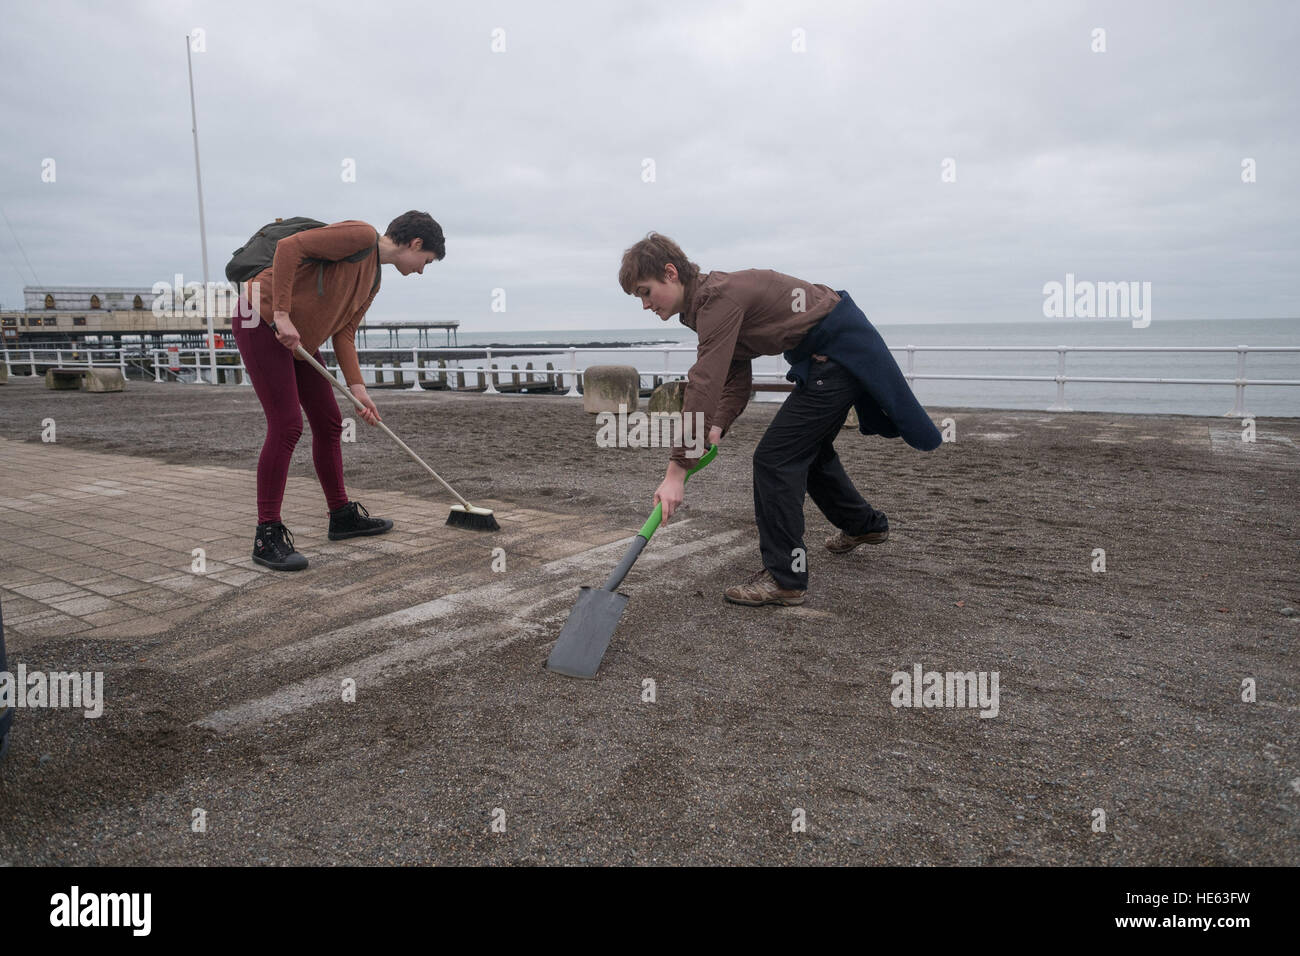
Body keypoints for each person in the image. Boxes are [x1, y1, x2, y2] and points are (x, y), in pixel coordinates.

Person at [619, 232, 942, 606]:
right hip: (829, 357)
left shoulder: (717, 299)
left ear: (670, 273)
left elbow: (704, 380)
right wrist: (717, 425)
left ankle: (785, 579)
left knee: (774, 459)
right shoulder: (702, 305)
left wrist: (677, 470)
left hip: (839, 357)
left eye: (645, 292)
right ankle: (864, 526)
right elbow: (735, 373)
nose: (644, 305)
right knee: (807, 451)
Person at [233, 211, 445, 571]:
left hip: (300, 337)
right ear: (416, 244)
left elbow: (344, 333)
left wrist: (358, 389)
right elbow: (288, 247)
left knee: (331, 423)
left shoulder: (373, 280)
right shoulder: (361, 235)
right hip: (260, 318)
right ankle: (266, 534)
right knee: (287, 425)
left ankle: (341, 515)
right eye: (426, 262)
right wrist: (282, 314)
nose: (422, 270)